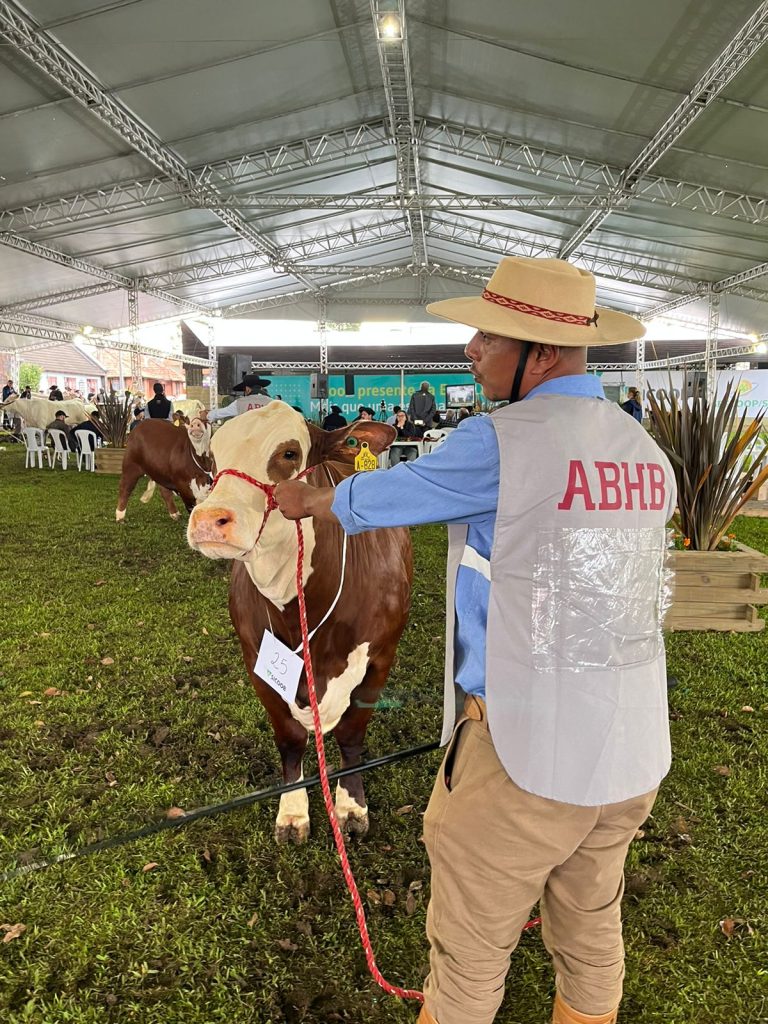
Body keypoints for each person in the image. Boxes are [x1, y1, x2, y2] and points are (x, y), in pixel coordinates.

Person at [274, 255, 677, 1024]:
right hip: (630, 746)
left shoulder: (504, 440)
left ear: (542, 353)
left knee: (466, 960)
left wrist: (305, 498)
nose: (471, 350)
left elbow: (387, 494)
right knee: (593, 931)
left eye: (487, 336)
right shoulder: (640, 449)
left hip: (525, 752)